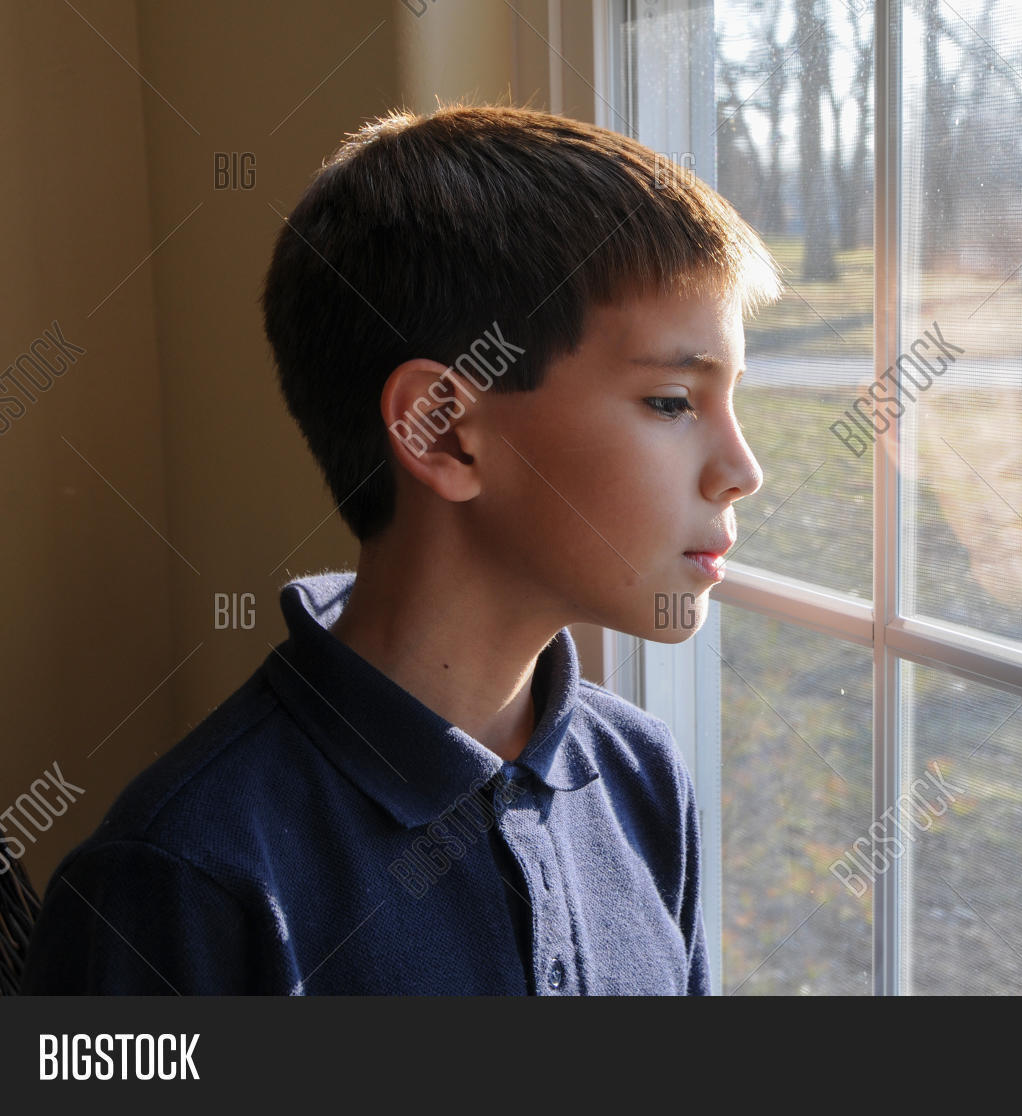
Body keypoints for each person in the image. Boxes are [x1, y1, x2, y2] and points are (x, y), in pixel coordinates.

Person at [20, 104, 781, 994]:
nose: (744, 469)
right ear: (444, 433)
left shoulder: (642, 779)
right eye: (671, 402)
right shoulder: (181, 884)